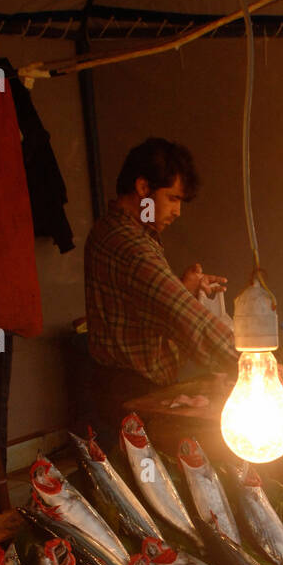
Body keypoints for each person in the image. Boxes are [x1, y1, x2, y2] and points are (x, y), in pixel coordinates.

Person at [84, 138, 237, 431]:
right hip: (128, 390)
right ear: (143, 189)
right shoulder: (128, 244)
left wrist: (183, 287)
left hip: (127, 383)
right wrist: (255, 367)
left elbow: (149, 300)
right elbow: (189, 318)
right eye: (173, 199)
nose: (177, 212)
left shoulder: (120, 230)